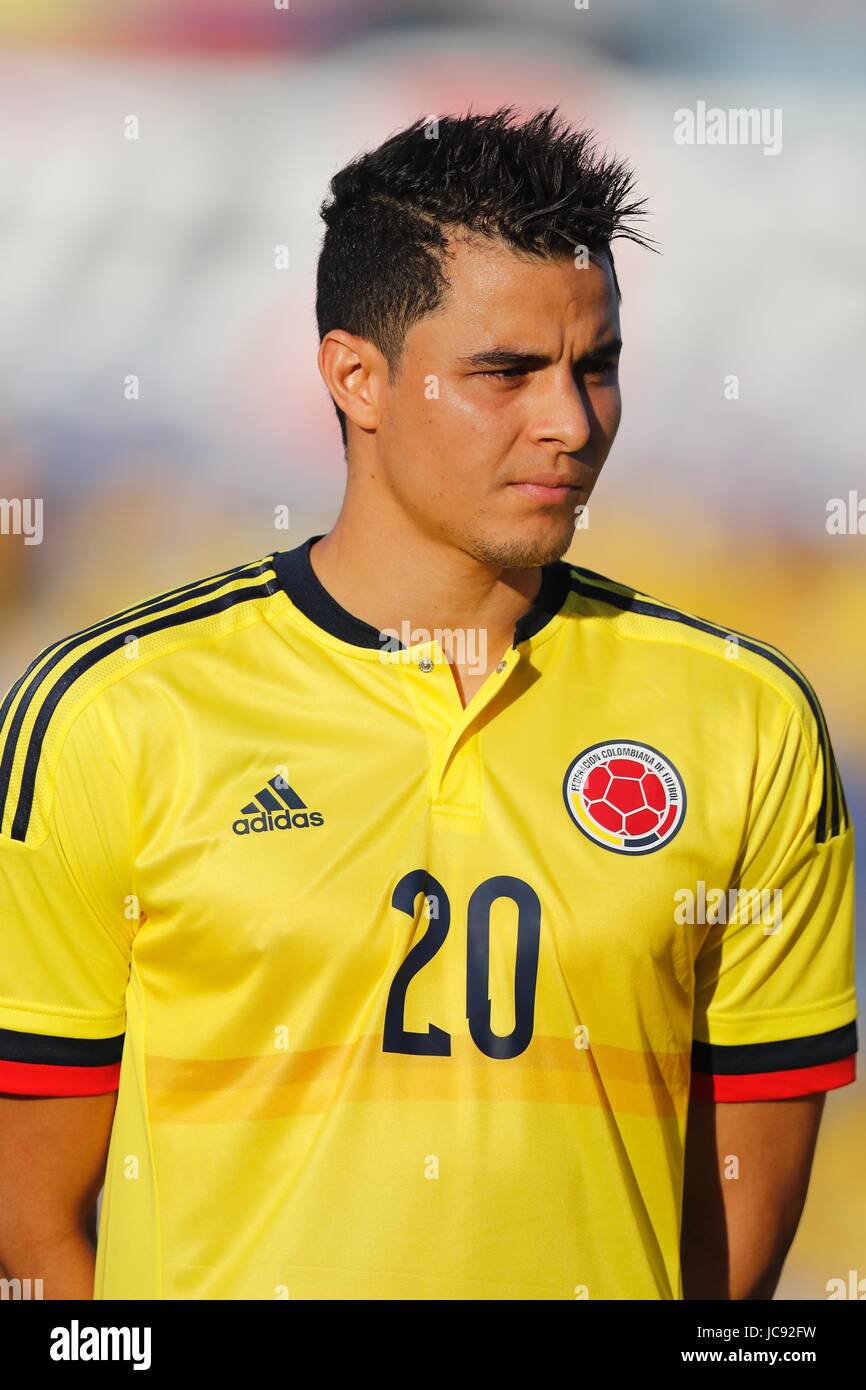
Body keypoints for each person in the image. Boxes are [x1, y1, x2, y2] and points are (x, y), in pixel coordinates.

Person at [0, 107, 856, 1301]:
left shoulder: (744, 718)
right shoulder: (114, 710)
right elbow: (35, 1230)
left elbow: (734, 1242)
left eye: (594, 365)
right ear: (355, 375)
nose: (568, 420)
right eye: (504, 372)